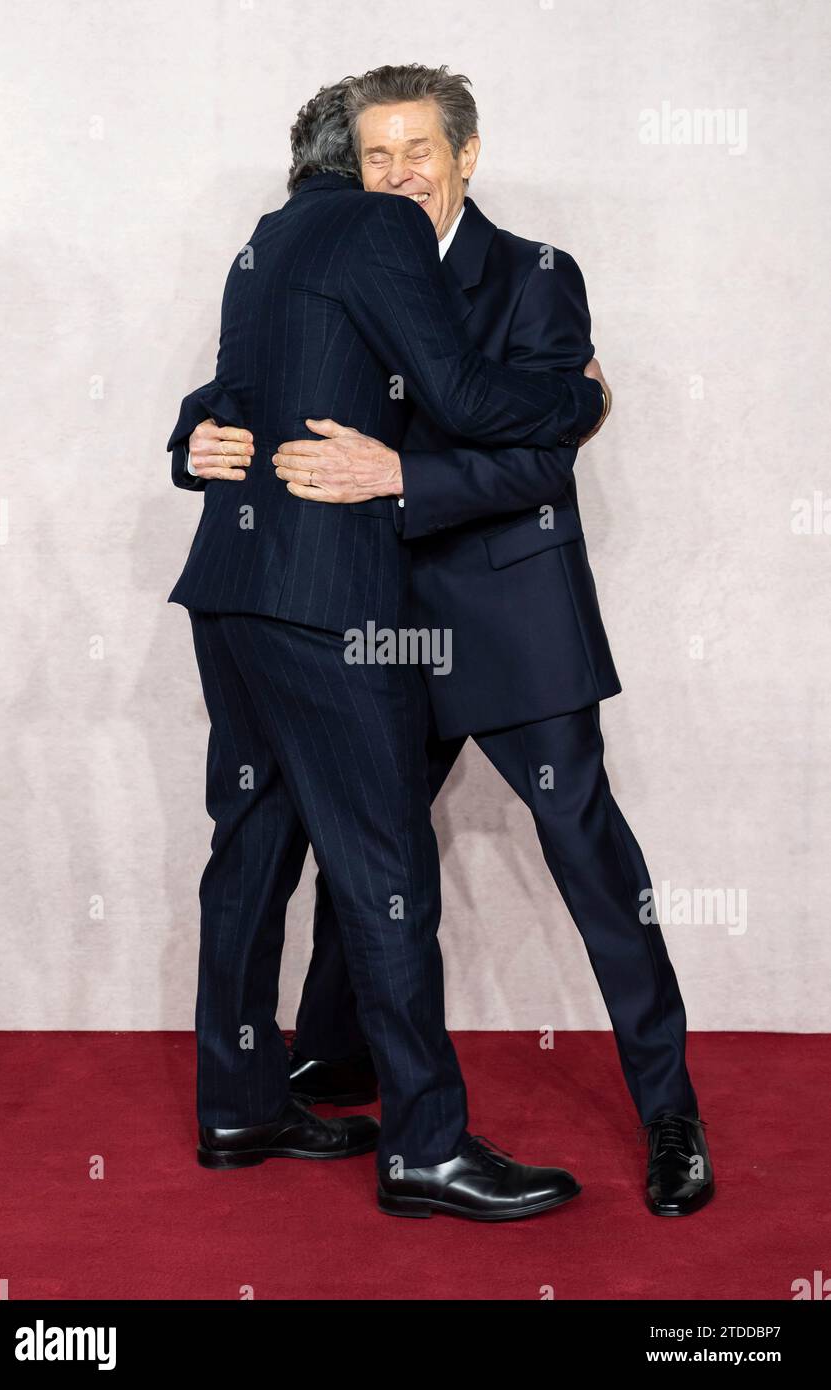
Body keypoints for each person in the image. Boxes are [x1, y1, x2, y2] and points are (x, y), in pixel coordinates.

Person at [186, 64, 713, 1218]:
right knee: (358, 859)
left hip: (505, 615)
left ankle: (670, 1112)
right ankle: (340, 1063)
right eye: (375, 156)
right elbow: (257, 382)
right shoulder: (337, 244)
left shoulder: (533, 274)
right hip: (362, 623)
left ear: (466, 154)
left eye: (418, 150)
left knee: (589, 863)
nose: (397, 175)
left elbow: (533, 459)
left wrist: (399, 479)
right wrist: (200, 430)